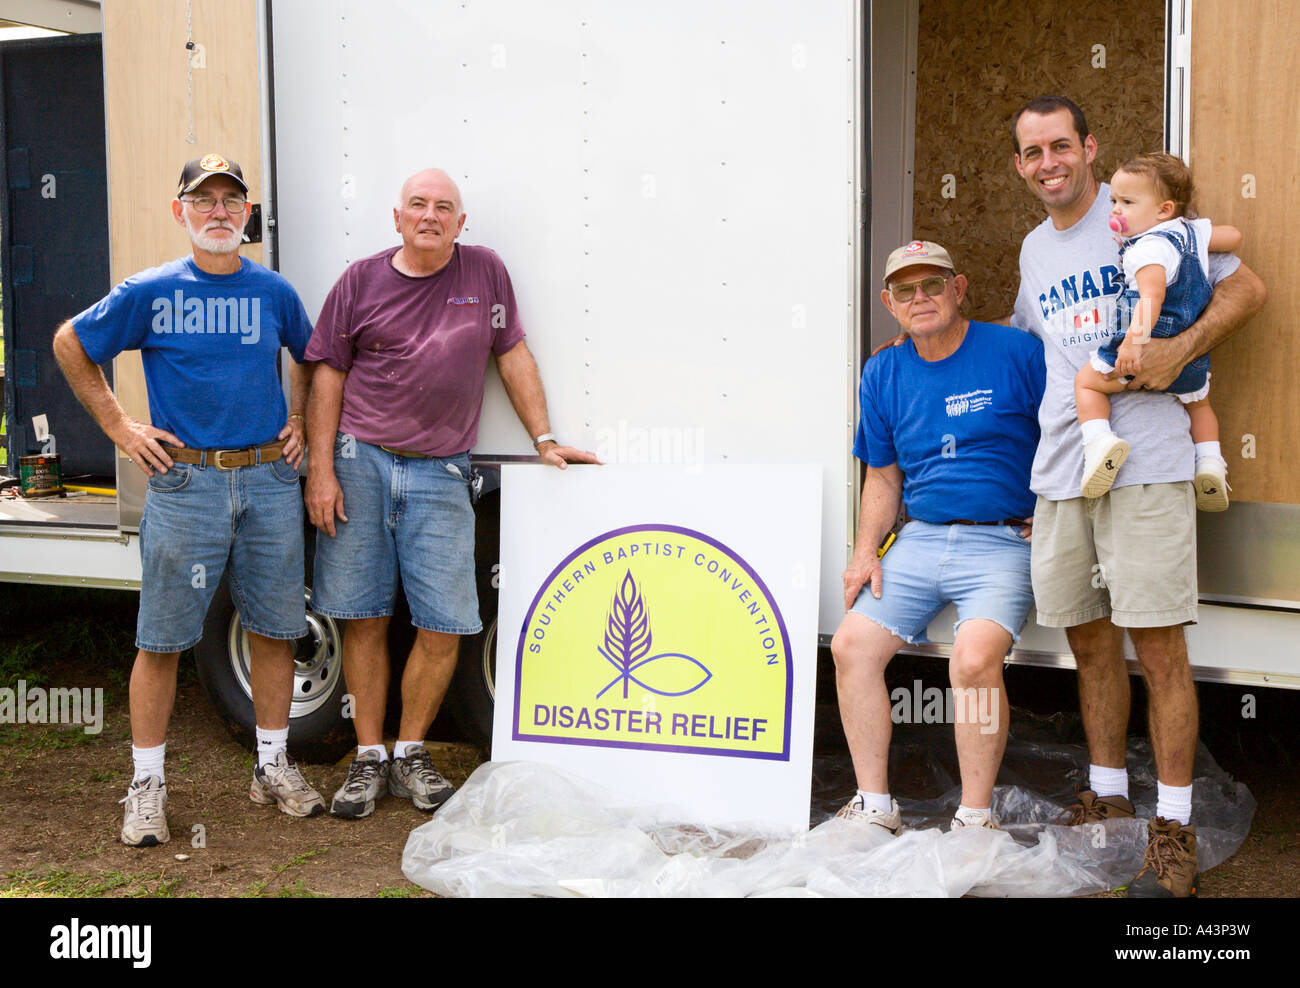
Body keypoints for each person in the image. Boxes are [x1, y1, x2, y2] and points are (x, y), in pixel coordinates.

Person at [1010, 96, 1267, 896]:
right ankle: (1109, 803)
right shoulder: (1031, 249)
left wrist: (1178, 348)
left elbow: (1248, 287)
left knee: (1158, 649)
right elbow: (1028, 336)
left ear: (1089, 148)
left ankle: (1173, 831)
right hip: (1062, 469)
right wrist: (930, 340)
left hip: (1148, 463)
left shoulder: (1140, 219)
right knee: (1087, 645)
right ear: (1020, 165)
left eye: (1060, 146)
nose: (1048, 163)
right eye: (1031, 152)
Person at [304, 168, 597, 819]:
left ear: (461, 224)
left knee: (444, 623)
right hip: (361, 462)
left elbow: (512, 353)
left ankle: (410, 751)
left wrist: (544, 437)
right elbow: (327, 374)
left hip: (442, 470)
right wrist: (321, 469)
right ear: (398, 217)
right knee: (364, 616)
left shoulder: (484, 274)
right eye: (418, 205)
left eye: (444, 207)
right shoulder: (360, 281)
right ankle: (368, 758)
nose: (430, 215)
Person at [52, 154, 325, 847]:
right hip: (185, 483)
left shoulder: (273, 292)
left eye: (231, 201)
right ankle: (146, 788)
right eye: (204, 201)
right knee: (163, 639)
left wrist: (298, 422)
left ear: (245, 215)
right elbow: (71, 343)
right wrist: (119, 426)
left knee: (274, 629)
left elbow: (315, 358)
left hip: (267, 479)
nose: (219, 212)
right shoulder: (150, 291)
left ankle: (272, 767)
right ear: (182, 212)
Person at [831, 240, 1045, 834]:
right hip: (920, 536)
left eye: (933, 284)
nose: (920, 297)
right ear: (889, 303)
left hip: (1002, 538)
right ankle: (875, 808)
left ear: (959, 288)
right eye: (906, 290)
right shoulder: (884, 371)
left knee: (973, 662)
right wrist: (863, 552)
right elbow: (882, 475)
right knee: (849, 647)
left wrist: (1054, 511)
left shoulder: (1016, 353)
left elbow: (1068, 430)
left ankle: (975, 818)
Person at [1073, 153, 1242, 510]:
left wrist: (1133, 344)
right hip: (1189, 355)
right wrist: (1201, 234)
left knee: (1086, 383)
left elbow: (1151, 295)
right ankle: (1210, 462)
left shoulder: (1145, 249)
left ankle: (1099, 441)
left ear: (1163, 209)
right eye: (1114, 201)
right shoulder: (1190, 233)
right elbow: (1233, 236)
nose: (1116, 211)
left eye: (1128, 203)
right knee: (1199, 404)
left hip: (1146, 343)